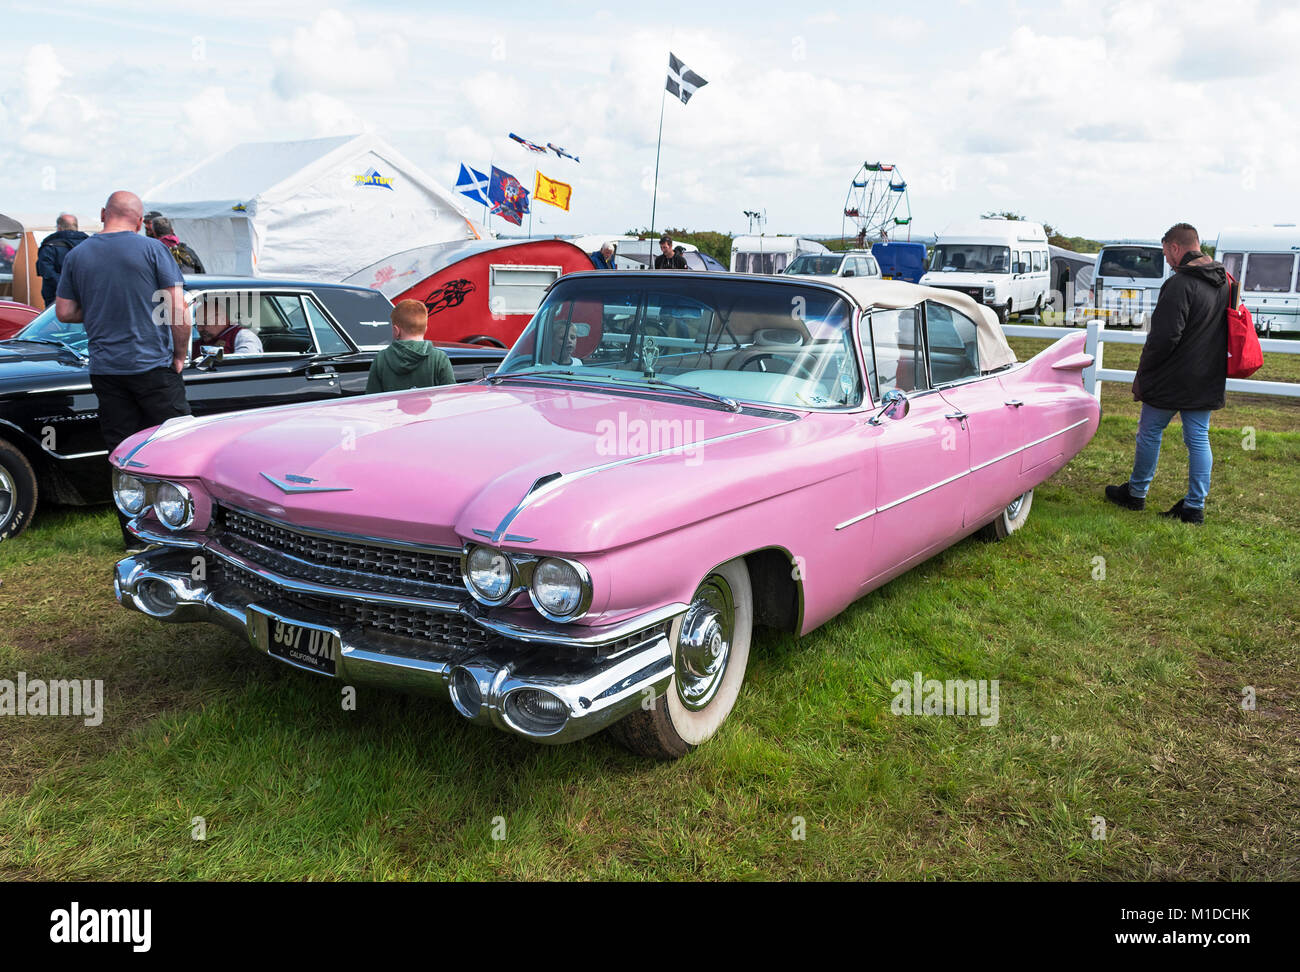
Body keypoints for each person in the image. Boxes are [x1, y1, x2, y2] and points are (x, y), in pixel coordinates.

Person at [55, 190, 192, 548]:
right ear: (140, 220)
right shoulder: (153, 249)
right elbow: (177, 309)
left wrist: (102, 309)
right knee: (176, 446)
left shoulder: (77, 255)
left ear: (103, 213)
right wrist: (179, 355)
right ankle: (181, 532)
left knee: (123, 454)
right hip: (153, 368)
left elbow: (65, 312)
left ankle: (134, 537)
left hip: (107, 372)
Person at [1104, 223, 1229, 524]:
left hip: (1171, 377)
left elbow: (1164, 338)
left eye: (1166, 254)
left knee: (1149, 432)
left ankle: (1136, 494)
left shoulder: (1180, 284)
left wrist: (1145, 371)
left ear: (1175, 247)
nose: (1167, 261)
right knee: (1198, 439)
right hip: (1207, 375)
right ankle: (1194, 507)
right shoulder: (1224, 281)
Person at [365, 299, 454, 393]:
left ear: (396, 330)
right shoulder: (439, 358)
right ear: (425, 329)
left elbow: (371, 400)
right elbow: (450, 397)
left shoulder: (381, 359)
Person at [35, 214, 89, 306]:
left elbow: (47, 272)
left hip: (55, 298)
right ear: (76, 227)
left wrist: (65, 287)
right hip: (85, 295)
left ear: (59, 227)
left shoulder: (49, 245)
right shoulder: (90, 244)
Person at [193, 300, 263, 356]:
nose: (199, 329)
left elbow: (247, 362)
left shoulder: (243, 336)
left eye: (204, 323)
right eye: (197, 325)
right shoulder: (198, 344)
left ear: (222, 319)